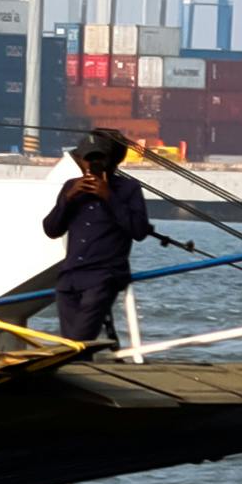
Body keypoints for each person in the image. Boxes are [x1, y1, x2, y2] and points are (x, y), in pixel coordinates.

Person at [40, 129, 159, 348]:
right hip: (70, 277)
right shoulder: (71, 187)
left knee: (77, 343)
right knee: (71, 342)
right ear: (81, 161)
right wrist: (68, 198)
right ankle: (78, 368)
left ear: (111, 160)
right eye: (88, 158)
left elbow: (139, 231)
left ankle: (74, 369)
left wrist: (108, 197)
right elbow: (51, 229)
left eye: (99, 158)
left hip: (104, 276)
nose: (93, 164)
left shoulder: (128, 189)